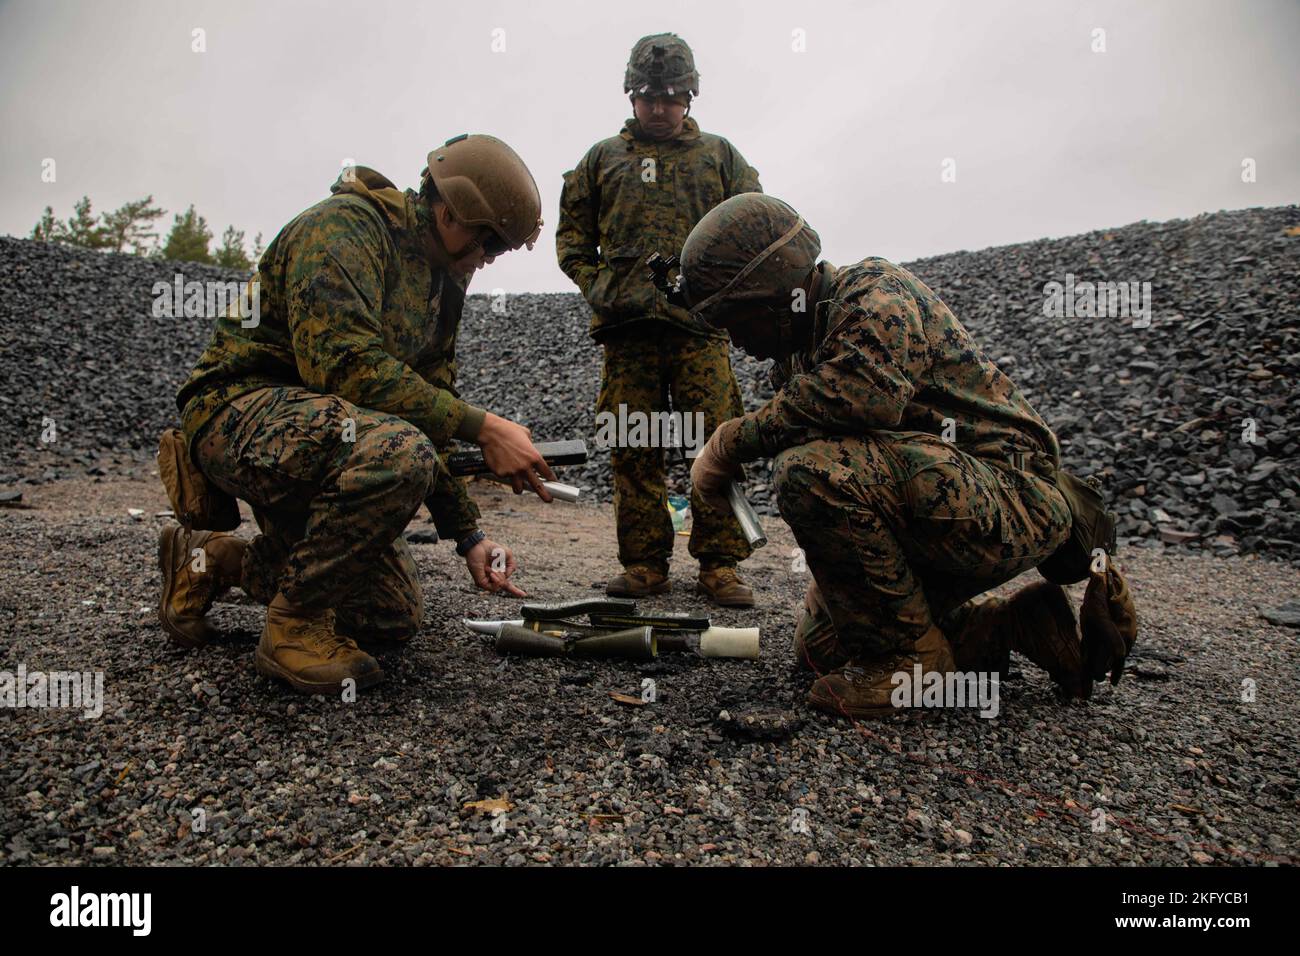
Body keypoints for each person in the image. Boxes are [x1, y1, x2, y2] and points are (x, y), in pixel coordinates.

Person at [663, 193, 1137, 717]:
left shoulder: (874, 294)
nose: (736, 341)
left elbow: (863, 398)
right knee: (822, 647)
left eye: (737, 320)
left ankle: (909, 659)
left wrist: (730, 441)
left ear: (777, 294)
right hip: (952, 502)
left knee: (809, 471)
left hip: (1015, 498)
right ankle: (1012, 625)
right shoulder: (805, 348)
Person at [160, 134, 555, 695]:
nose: (487, 260)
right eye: (486, 245)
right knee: (400, 452)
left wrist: (469, 535)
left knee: (390, 617)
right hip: (237, 412)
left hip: (329, 439)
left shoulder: (444, 278)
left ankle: (213, 561)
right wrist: (485, 427)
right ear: (449, 212)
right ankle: (292, 628)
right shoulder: (346, 227)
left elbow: (427, 402)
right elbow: (342, 367)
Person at [555, 32, 762, 607]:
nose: (659, 107)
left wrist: (729, 295)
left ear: (690, 97)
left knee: (715, 445)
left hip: (699, 331)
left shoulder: (720, 157)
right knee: (631, 445)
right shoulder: (602, 160)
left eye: (672, 96)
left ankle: (720, 567)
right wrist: (599, 284)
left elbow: (755, 227)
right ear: (630, 95)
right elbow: (572, 237)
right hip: (627, 335)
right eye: (648, 95)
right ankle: (644, 566)